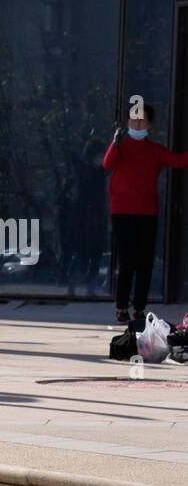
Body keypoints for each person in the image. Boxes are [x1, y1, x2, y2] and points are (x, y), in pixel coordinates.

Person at [103, 104, 188, 326]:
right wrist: (115, 143)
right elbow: (107, 164)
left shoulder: (155, 150)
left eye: (141, 120)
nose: (137, 124)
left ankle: (139, 308)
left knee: (145, 262)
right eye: (133, 120)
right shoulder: (121, 146)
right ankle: (121, 307)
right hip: (122, 211)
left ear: (149, 124)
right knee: (128, 260)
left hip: (147, 212)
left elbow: (179, 161)